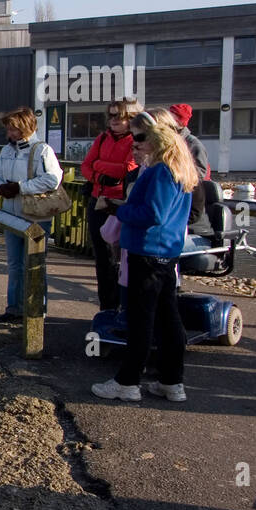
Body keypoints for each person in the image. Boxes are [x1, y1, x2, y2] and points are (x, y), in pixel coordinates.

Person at [91, 112, 199, 403]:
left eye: (140, 139)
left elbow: (153, 214)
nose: (135, 143)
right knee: (167, 319)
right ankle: (171, 381)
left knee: (141, 321)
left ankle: (127, 382)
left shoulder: (160, 172)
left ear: (157, 141)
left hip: (146, 252)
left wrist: (118, 210)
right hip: (167, 253)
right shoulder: (181, 170)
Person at [0, 107, 62, 322]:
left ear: (25, 127)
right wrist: (0, 188)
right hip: (11, 212)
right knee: (14, 263)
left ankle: (36, 309)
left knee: (34, 263)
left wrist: (20, 187)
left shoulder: (42, 150)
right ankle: (14, 308)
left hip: (35, 215)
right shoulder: (7, 151)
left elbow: (52, 179)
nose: (10, 133)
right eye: (9, 129)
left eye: (14, 129)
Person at [81, 98, 142, 311]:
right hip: (98, 202)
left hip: (120, 205)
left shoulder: (136, 140)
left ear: (131, 117)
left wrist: (98, 167)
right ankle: (106, 306)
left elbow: (127, 169)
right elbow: (86, 166)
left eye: (119, 115)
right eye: (111, 115)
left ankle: (123, 306)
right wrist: (101, 174)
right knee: (102, 258)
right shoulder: (102, 137)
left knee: (121, 258)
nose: (114, 120)